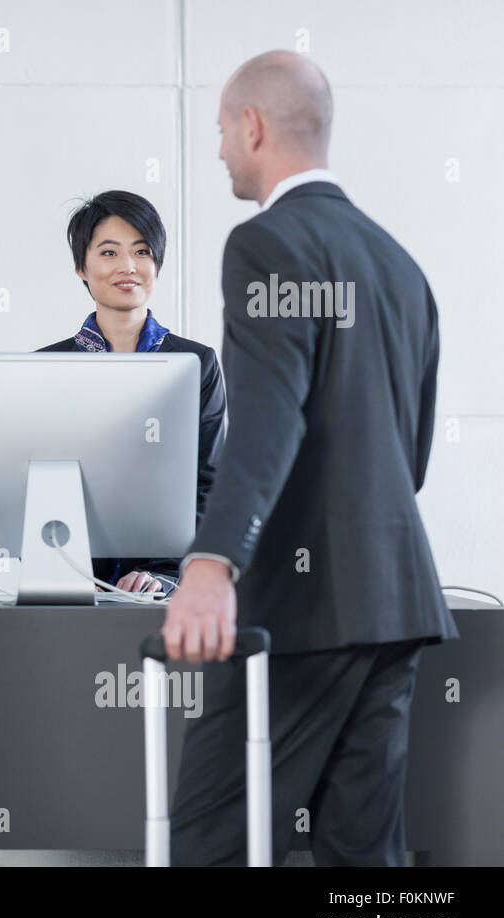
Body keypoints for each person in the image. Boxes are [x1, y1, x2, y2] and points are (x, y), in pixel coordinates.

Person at [162, 50, 458, 865]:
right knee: (364, 866)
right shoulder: (401, 266)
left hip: (303, 610)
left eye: (222, 129)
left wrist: (211, 562)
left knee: (207, 849)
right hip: (394, 601)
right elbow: (412, 457)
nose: (220, 148)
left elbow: (267, 418)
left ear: (253, 127)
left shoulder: (265, 246)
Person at [39, 190, 226, 595]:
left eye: (142, 252)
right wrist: (60, 570)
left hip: (165, 583)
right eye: (109, 253)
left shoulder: (195, 362)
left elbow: (209, 485)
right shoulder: (46, 367)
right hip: (66, 577)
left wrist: (167, 574)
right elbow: (30, 485)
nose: (128, 267)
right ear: (80, 268)